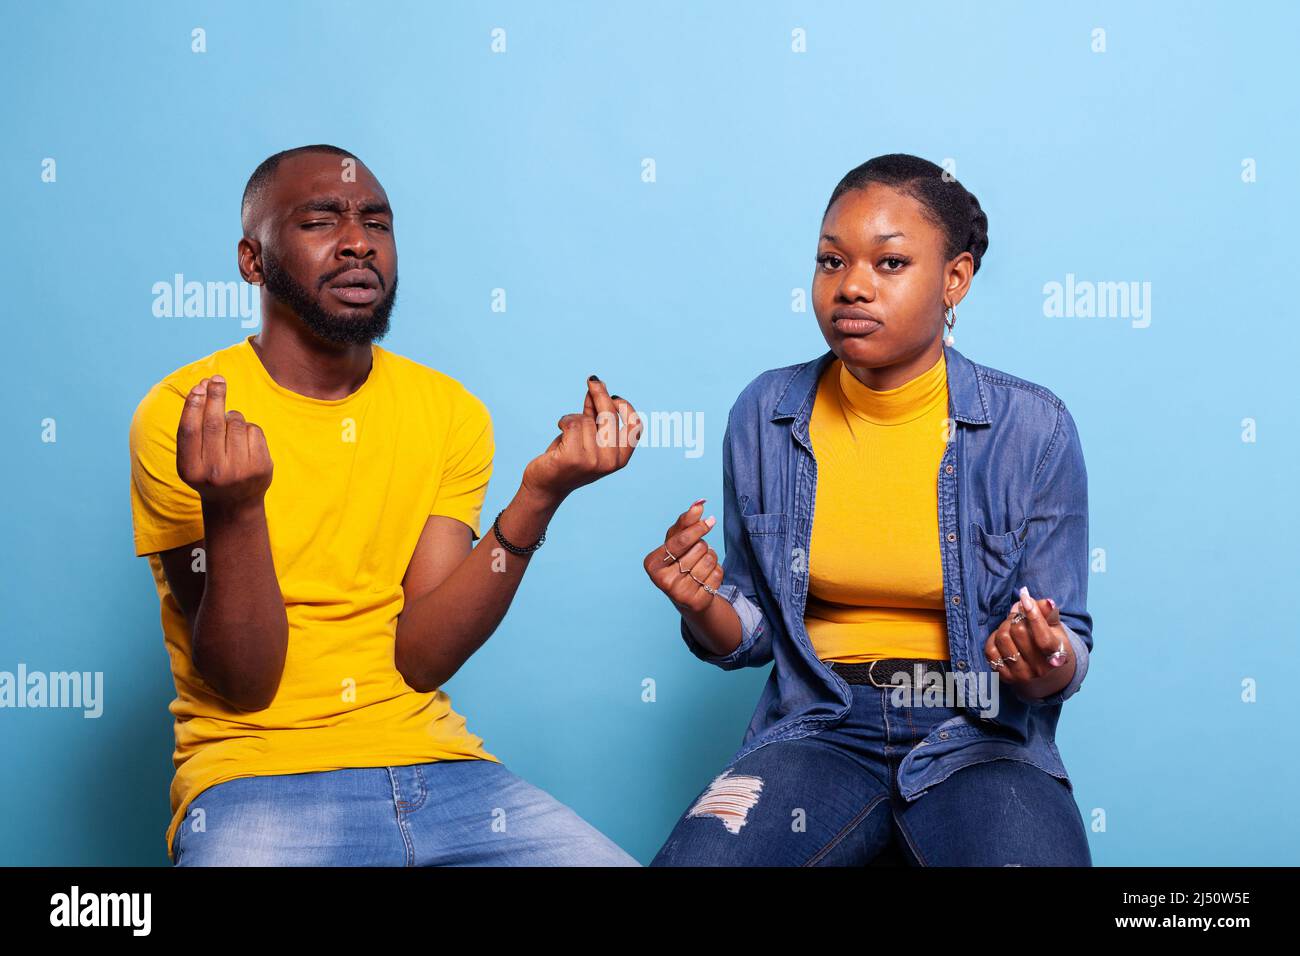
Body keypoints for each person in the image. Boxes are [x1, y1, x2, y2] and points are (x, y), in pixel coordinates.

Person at [129, 144, 641, 866]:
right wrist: (237, 511)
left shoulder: (449, 412)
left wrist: (540, 495)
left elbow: (422, 656)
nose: (358, 241)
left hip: (443, 775)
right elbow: (245, 682)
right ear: (251, 260)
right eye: (320, 221)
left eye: (377, 221)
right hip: (257, 782)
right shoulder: (186, 415)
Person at [644, 153, 1094, 866]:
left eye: (889, 264)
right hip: (819, 722)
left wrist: (1043, 658)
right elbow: (753, 626)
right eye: (831, 262)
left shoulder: (1033, 429)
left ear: (956, 279)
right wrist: (702, 602)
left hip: (978, 728)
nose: (851, 286)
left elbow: (1065, 645)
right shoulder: (766, 413)